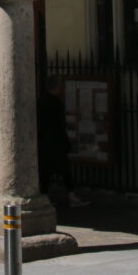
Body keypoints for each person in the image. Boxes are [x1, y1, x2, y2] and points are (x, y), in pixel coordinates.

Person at [37, 76, 88, 208]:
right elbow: (60, 123)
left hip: (44, 142)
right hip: (56, 142)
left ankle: (45, 196)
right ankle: (71, 196)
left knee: (45, 172)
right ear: (57, 87)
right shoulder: (56, 102)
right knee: (65, 170)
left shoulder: (40, 101)